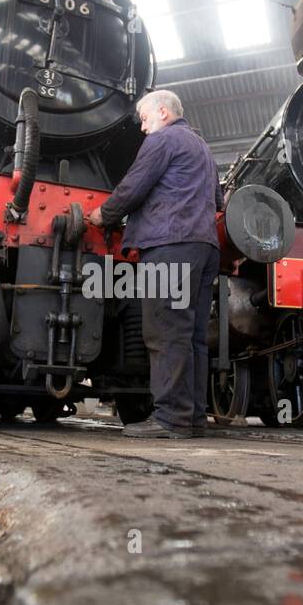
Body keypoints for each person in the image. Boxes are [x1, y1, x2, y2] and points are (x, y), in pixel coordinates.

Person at [88, 89, 223, 439]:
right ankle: (191, 418)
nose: (143, 128)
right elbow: (219, 198)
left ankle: (169, 419)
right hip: (204, 247)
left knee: (164, 330)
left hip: (170, 244)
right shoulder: (203, 148)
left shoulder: (164, 140)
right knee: (192, 336)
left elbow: (135, 186)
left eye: (144, 119)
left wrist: (104, 214)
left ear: (162, 112)